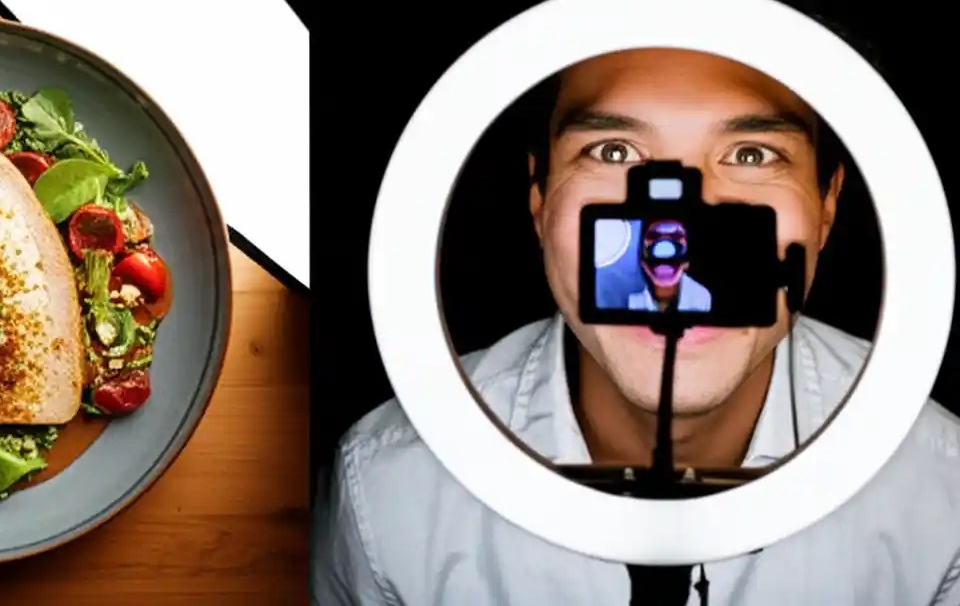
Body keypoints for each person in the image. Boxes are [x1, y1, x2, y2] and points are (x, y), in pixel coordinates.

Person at [310, 44, 960, 604]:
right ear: (539, 201)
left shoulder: (943, 492)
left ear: (827, 207)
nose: (679, 220)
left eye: (753, 154)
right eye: (614, 150)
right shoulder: (388, 486)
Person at [627, 219, 712, 313]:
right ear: (642, 260)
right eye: (654, 236)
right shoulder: (626, 296)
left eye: (675, 237)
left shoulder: (701, 297)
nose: (664, 250)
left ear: (687, 262)